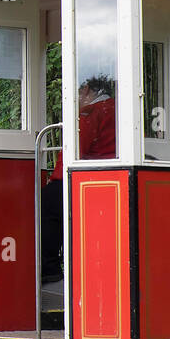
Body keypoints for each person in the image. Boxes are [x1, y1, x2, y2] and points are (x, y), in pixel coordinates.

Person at [39, 77, 116, 281]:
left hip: (89, 177)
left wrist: (55, 179)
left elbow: (76, 150)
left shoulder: (91, 113)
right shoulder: (115, 108)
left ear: (86, 90)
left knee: (46, 202)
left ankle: (50, 268)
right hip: (108, 175)